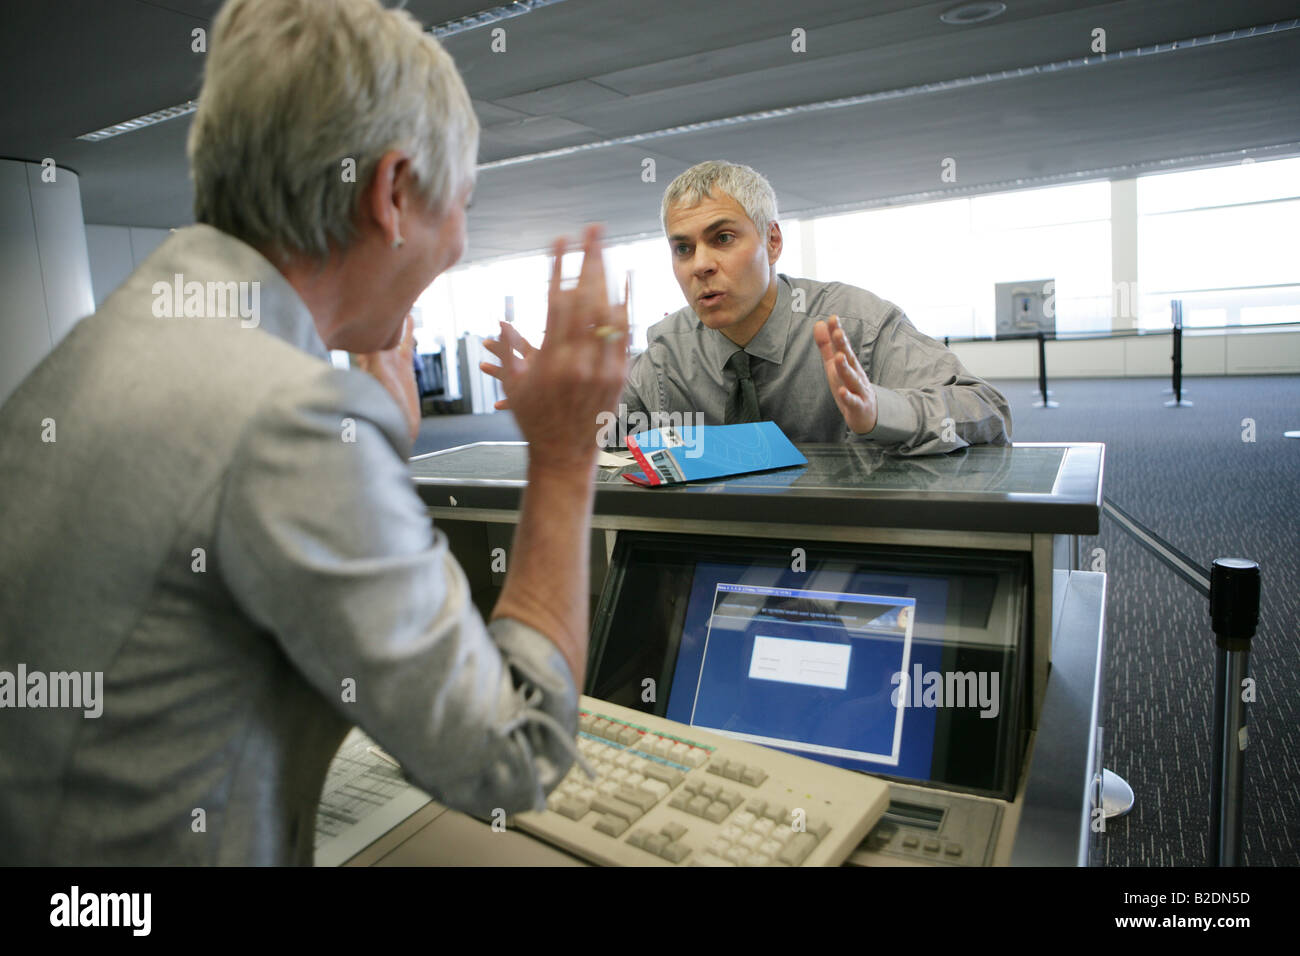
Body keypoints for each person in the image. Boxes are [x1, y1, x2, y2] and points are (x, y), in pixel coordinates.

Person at [0, 0, 626, 865]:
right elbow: (511, 755)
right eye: (464, 204)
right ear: (393, 193)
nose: (462, 241)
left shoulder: (112, 341)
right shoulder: (290, 416)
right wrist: (563, 455)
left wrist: (369, 461)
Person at [486, 161, 1011, 456]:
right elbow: (616, 432)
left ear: (772, 241)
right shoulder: (669, 347)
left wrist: (881, 411)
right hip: (718, 554)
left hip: (853, 546)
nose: (701, 265)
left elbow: (987, 407)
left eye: (723, 238)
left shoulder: (855, 326)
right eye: (683, 247)